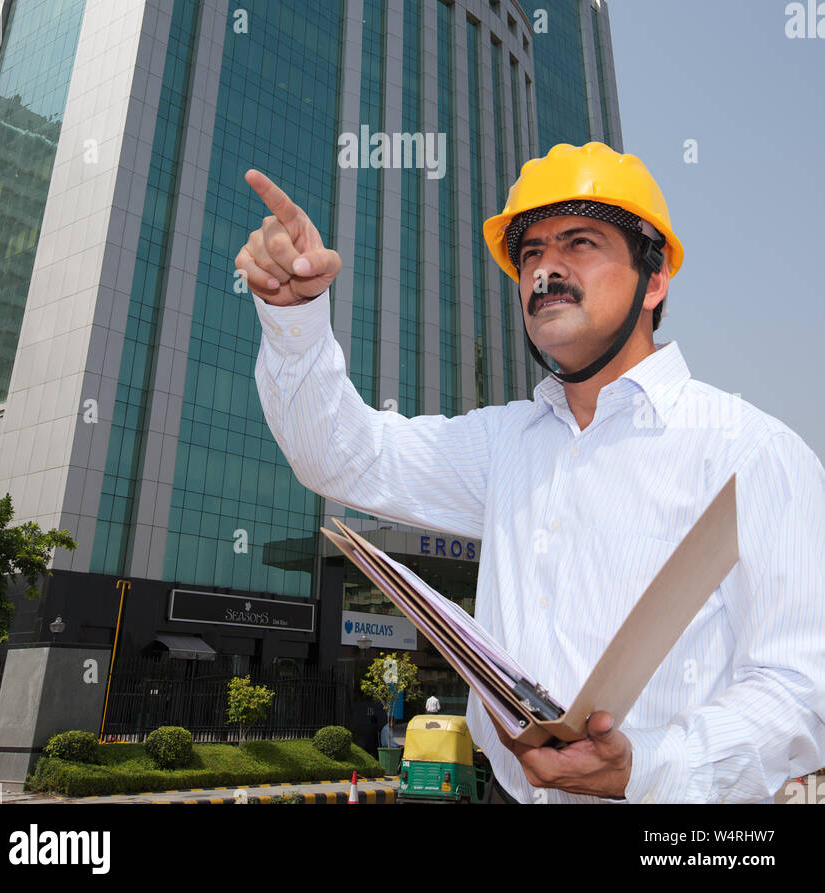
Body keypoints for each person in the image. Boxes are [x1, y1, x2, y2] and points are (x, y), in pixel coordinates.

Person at [235, 142, 825, 804]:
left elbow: (799, 689)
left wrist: (647, 765)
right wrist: (295, 315)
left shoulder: (753, 453)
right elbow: (341, 453)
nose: (547, 270)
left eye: (579, 243)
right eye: (531, 254)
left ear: (654, 279)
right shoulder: (504, 442)